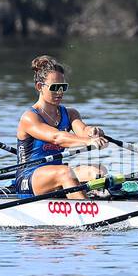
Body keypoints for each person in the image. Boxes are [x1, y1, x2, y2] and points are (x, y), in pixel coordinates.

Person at [14, 56, 108, 199]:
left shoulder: (70, 113)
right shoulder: (30, 117)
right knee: (65, 172)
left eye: (63, 87)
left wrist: (92, 132)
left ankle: (100, 201)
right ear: (40, 87)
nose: (60, 92)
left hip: (57, 172)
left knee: (98, 171)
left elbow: (83, 130)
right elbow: (57, 137)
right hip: (28, 179)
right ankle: (91, 214)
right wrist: (87, 142)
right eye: (55, 87)